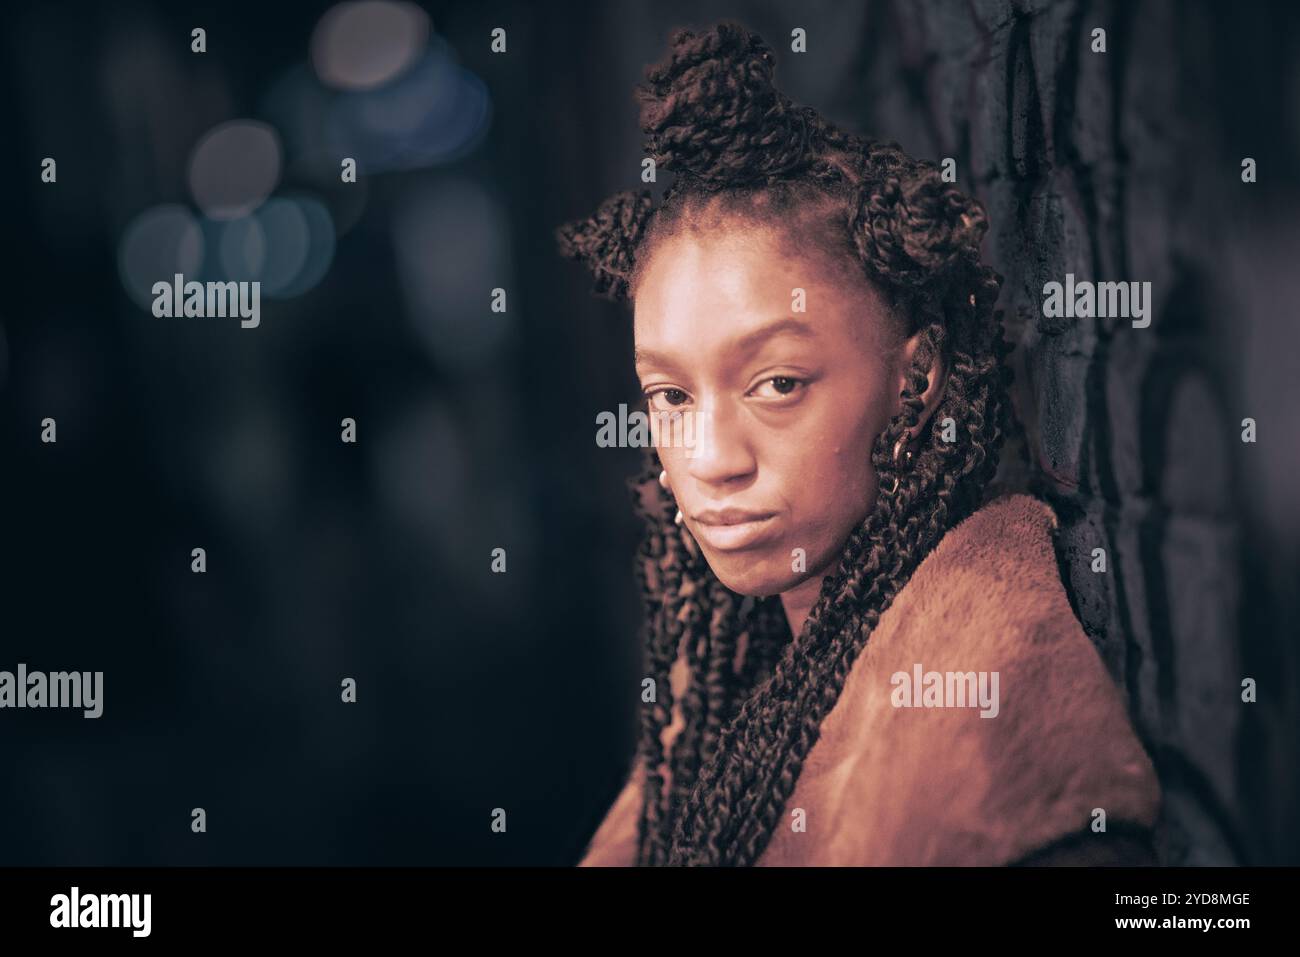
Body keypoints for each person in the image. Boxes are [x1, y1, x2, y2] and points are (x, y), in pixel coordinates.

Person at [555, 21, 1161, 867]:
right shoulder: (719, 690)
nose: (709, 458)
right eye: (670, 395)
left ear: (917, 385)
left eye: (777, 384)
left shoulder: (980, 691)